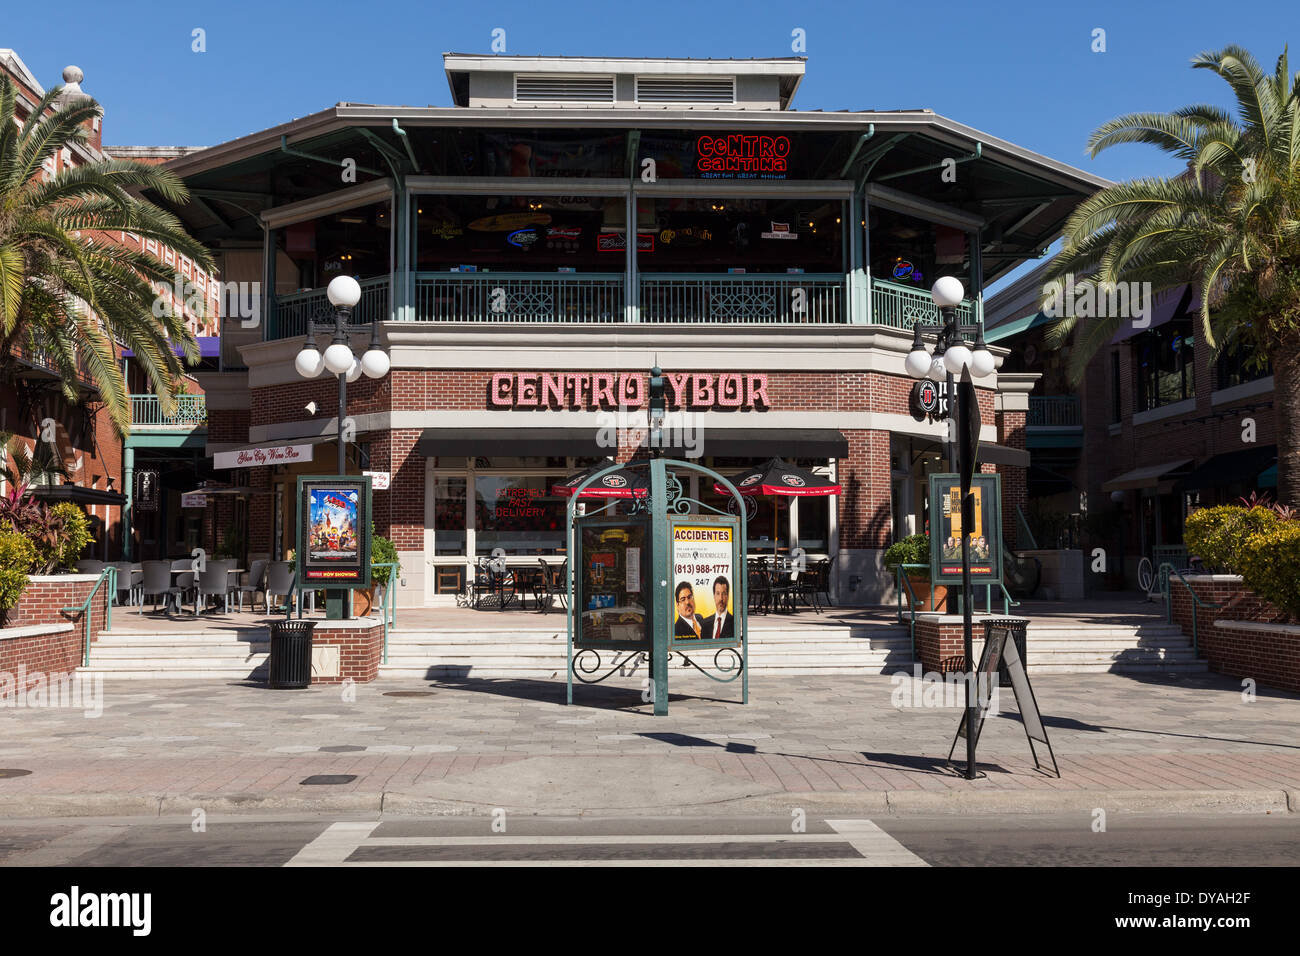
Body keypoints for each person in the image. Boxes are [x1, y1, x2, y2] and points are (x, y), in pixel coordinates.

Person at [700, 576, 734, 641]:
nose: (721, 598)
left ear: (728, 596)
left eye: (724, 594)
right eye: (718, 593)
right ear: (714, 596)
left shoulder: (734, 623)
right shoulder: (704, 624)